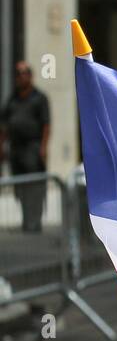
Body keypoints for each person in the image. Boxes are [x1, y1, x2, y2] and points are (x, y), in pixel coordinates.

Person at [1, 61, 51, 232]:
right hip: (16, 149)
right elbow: (5, 124)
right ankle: (26, 219)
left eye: (23, 73)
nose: (20, 77)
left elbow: (46, 125)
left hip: (32, 147)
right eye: (18, 73)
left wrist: (43, 148)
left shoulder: (39, 98)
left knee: (34, 186)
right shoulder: (12, 99)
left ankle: (34, 221)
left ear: (30, 76)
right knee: (20, 187)